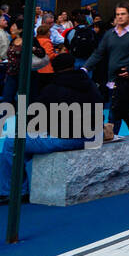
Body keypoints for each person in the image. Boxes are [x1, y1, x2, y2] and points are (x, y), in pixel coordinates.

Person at [0, 52, 115, 203]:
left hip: (68, 138)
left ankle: (12, 191)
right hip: (93, 135)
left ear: (54, 68)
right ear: (73, 65)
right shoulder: (89, 84)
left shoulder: (52, 89)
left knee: (12, 142)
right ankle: (25, 187)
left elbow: (34, 119)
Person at [81, 3, 129, 136]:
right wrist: (85, 68)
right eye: (117, 14)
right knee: (122, 111)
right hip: (112, 79)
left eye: (123, 14)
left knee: (115, 112)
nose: (119, 17)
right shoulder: (109, 34)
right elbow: (98, 53)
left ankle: (110, 142)